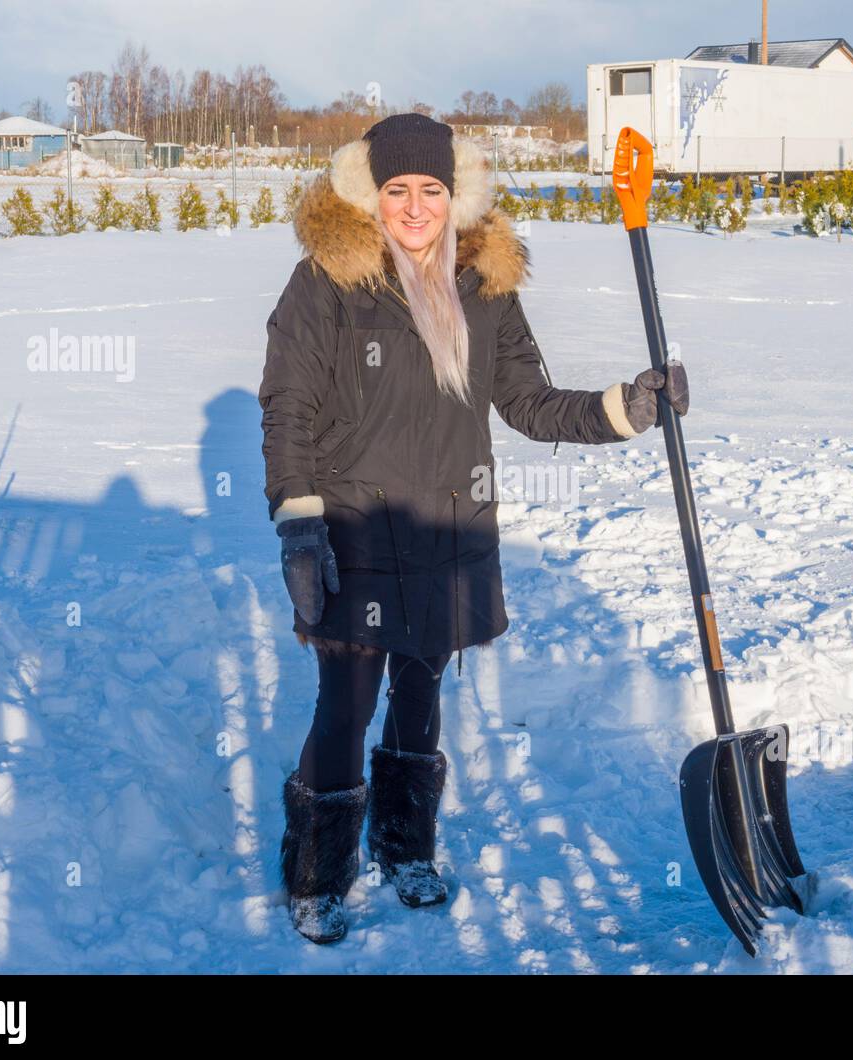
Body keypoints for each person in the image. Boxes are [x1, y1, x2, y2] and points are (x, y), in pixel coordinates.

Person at [259, 113, 688, 944]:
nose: (415, 207)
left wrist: (627, 408)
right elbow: (289, 411)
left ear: (455, 196)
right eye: (397, 190)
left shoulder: (485, 285)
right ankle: (318, 874)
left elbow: (529, 401)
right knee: (345, 705)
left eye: (431, 190)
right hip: (357, 525)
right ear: (369, 194)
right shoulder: (327, 281)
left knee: (419, 697)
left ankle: (405, 848)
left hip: (450, 528)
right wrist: (299, 525)